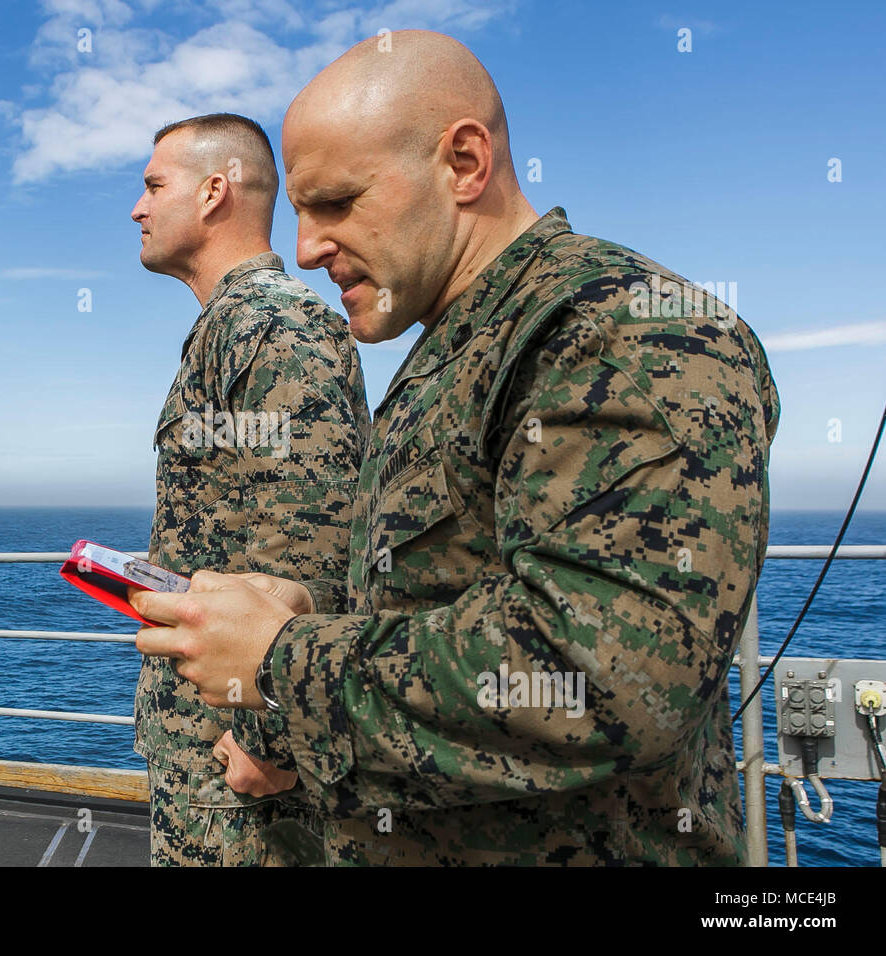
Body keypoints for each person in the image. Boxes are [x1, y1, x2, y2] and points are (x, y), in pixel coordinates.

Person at [131, 32, 780, 865]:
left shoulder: (623, 330)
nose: (305, 248)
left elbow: (603, 677)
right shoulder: (449, 355)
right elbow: (441, 607)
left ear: (466, 163)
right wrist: (302, 615)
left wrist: (284, 663)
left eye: (335, 203)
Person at [129, 113, 370, 865]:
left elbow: (314, 553)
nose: (138, 208)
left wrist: (274, 740)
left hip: (239, 775)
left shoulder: (276, 328)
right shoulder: (228, 327)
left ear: (212, 192)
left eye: (153, 185)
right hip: (205, 751)